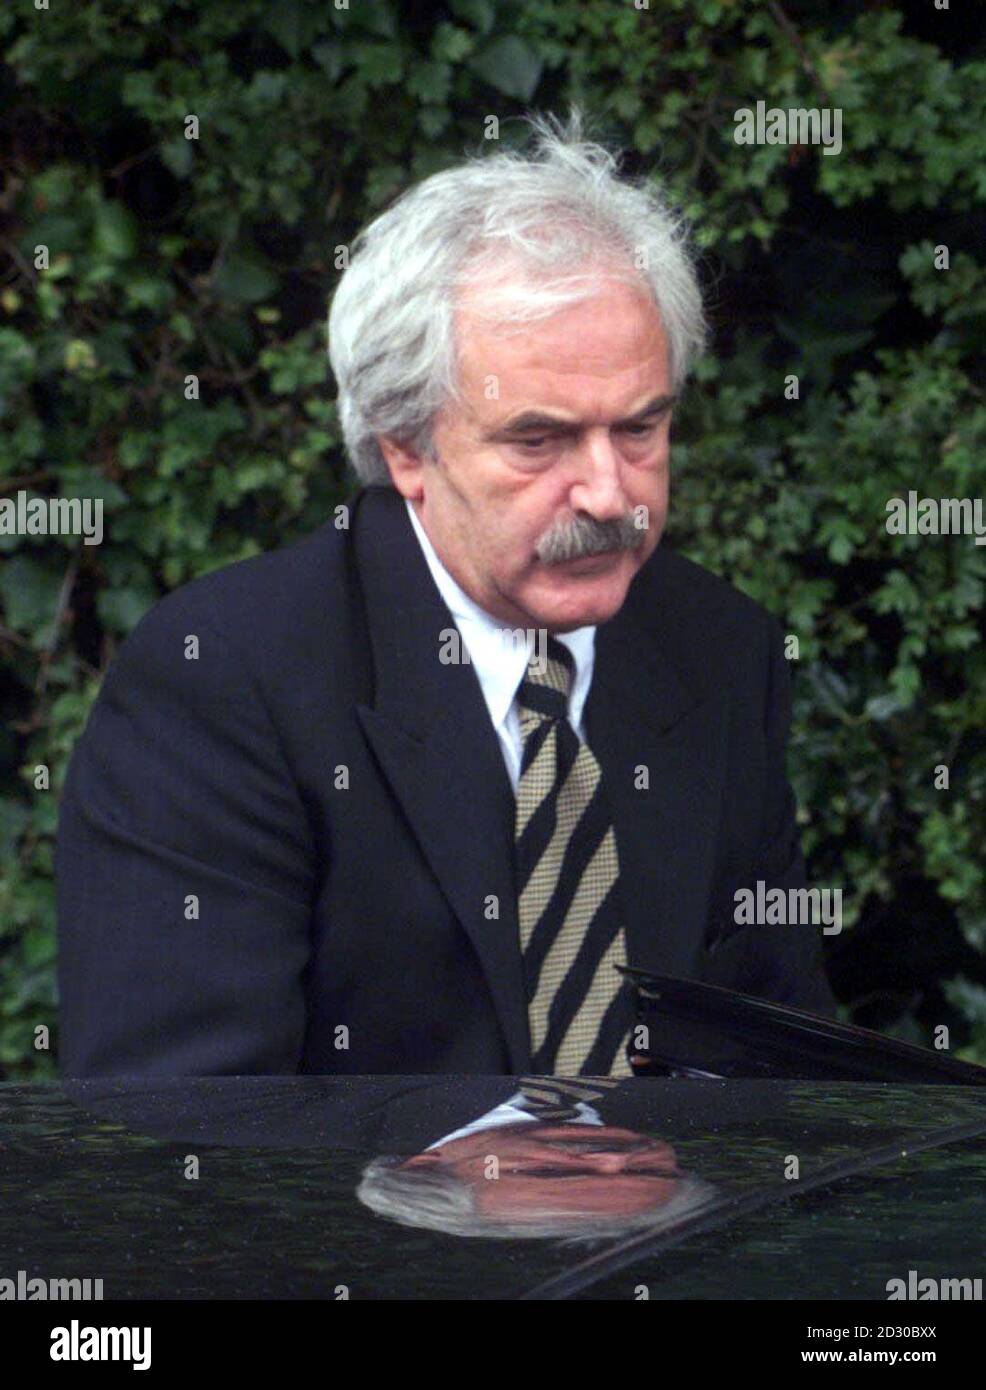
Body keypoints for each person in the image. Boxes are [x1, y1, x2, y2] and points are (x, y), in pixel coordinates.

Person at [56, 111, 834, 1080]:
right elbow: (181, 1139)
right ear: (403, 445)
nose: (609, 493)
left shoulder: (719, 645)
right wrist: (474, 1191)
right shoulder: (224, 679)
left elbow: (785, 1062)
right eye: (537, 441)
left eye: (640, 428)